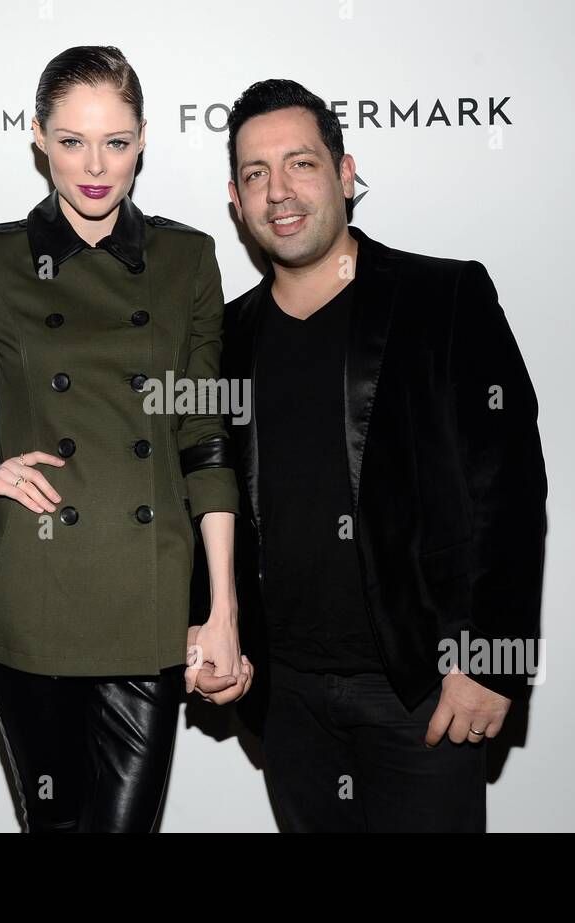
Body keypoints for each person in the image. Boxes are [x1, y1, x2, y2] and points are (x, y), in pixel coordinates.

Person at [0, 45, 252, 833]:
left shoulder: (186, 259)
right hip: (34, 595)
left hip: (151, 598)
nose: (95, 166)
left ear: (143, 139)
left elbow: (205, 435)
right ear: (37, 138)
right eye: (71, 141)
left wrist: (222, 606)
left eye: (116, 141)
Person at [192, 79, 548, 832]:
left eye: (301, 164)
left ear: (346, 175)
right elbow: (204, 492)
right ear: (236, 199)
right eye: (256, 174)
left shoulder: (443, 297)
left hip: (421, 690)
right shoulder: (222, 339)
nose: (279, 191)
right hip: (285, 698)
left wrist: (492, 660)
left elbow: (509, 490)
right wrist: (207, 627)